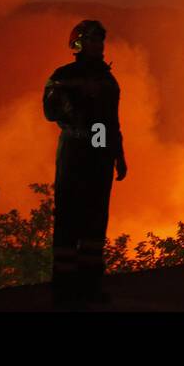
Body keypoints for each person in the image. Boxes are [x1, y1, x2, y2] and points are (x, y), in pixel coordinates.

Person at [43, 19, 127, 305]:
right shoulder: (63, 75)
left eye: (100, 40)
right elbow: (50, 112)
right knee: (69, 217)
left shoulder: (107, 79)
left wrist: (118, 155)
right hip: (75, 151)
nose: (98, 46)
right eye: (92, 40)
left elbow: (113, 121)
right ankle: (64, 289)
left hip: (100, 155)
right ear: (78, 43)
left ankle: (90, 286)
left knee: (95, 220)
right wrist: (77, 101)